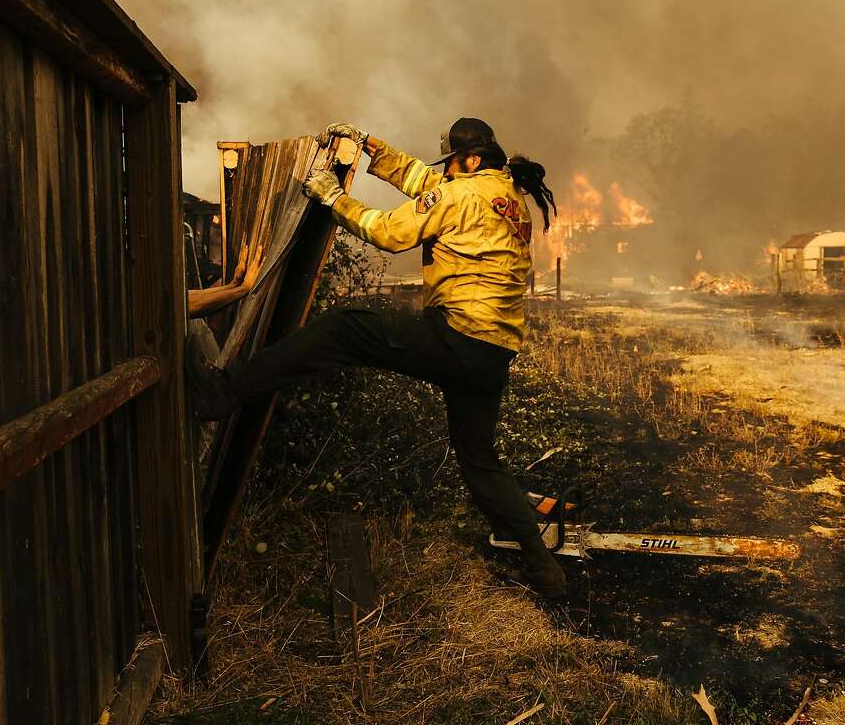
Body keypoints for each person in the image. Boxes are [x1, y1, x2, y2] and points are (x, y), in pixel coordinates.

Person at [184, 117, 566, 599]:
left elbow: (387, 232)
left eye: (450, 162)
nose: (443, 171)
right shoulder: (503, 194)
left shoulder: (457, 194)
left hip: (457, 336)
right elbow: (419, 179)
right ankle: (544, 571)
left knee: (345, 327)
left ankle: (222, 392)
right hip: (493, 353)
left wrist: (332, 197)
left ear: (468, 161)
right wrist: (368, 147)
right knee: (480, 460)